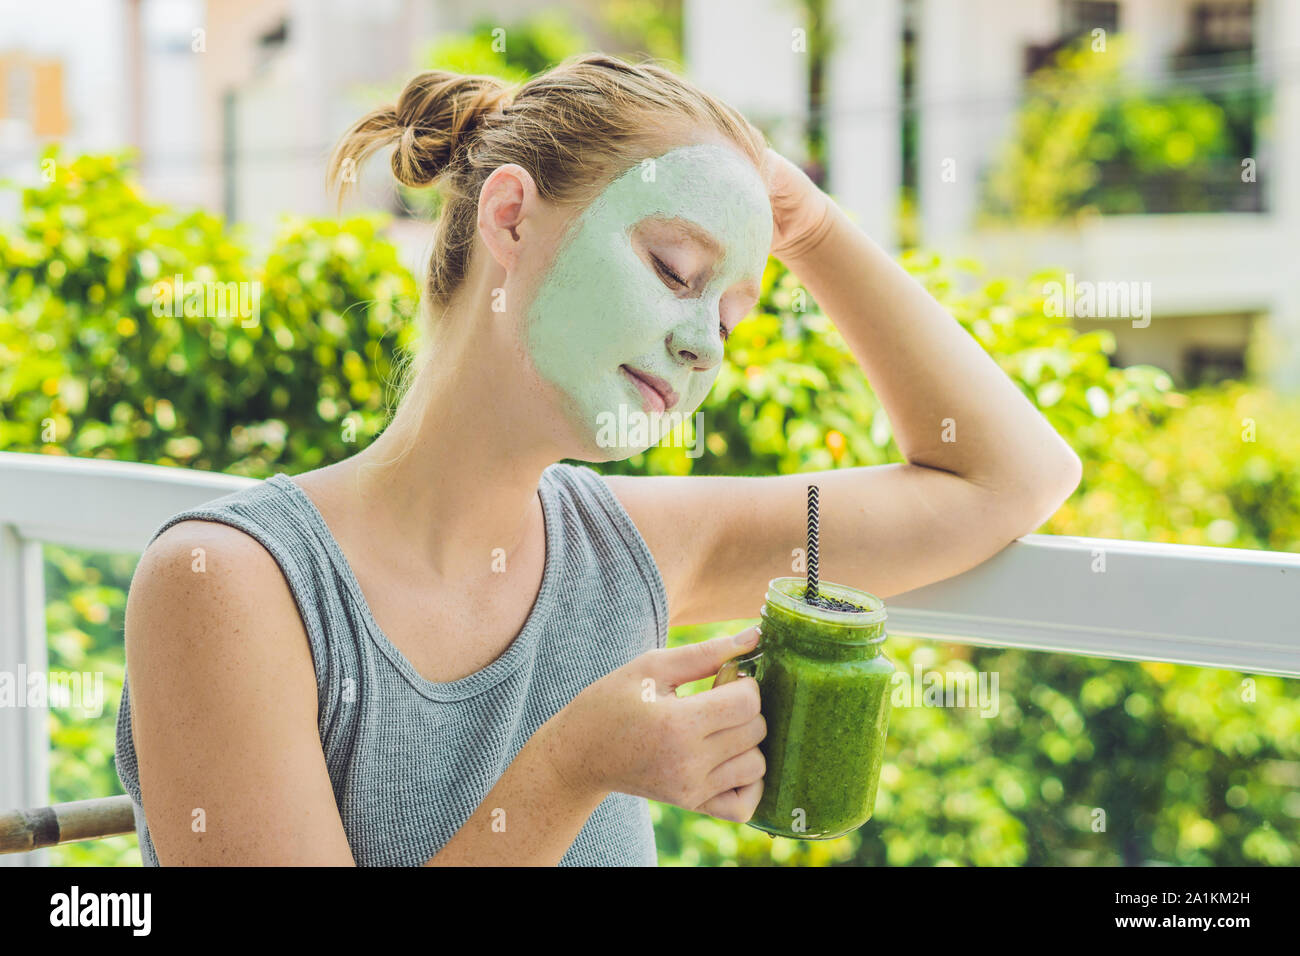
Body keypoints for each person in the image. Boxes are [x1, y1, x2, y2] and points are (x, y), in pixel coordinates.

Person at [115, 52, 1081, 866]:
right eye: (675, 271)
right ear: (509, 219)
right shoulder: (228, 585)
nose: (704, 347)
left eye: (730, 319)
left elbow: (1006, 477)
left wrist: (811, 225)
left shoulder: (635, 550)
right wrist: (570, 770)